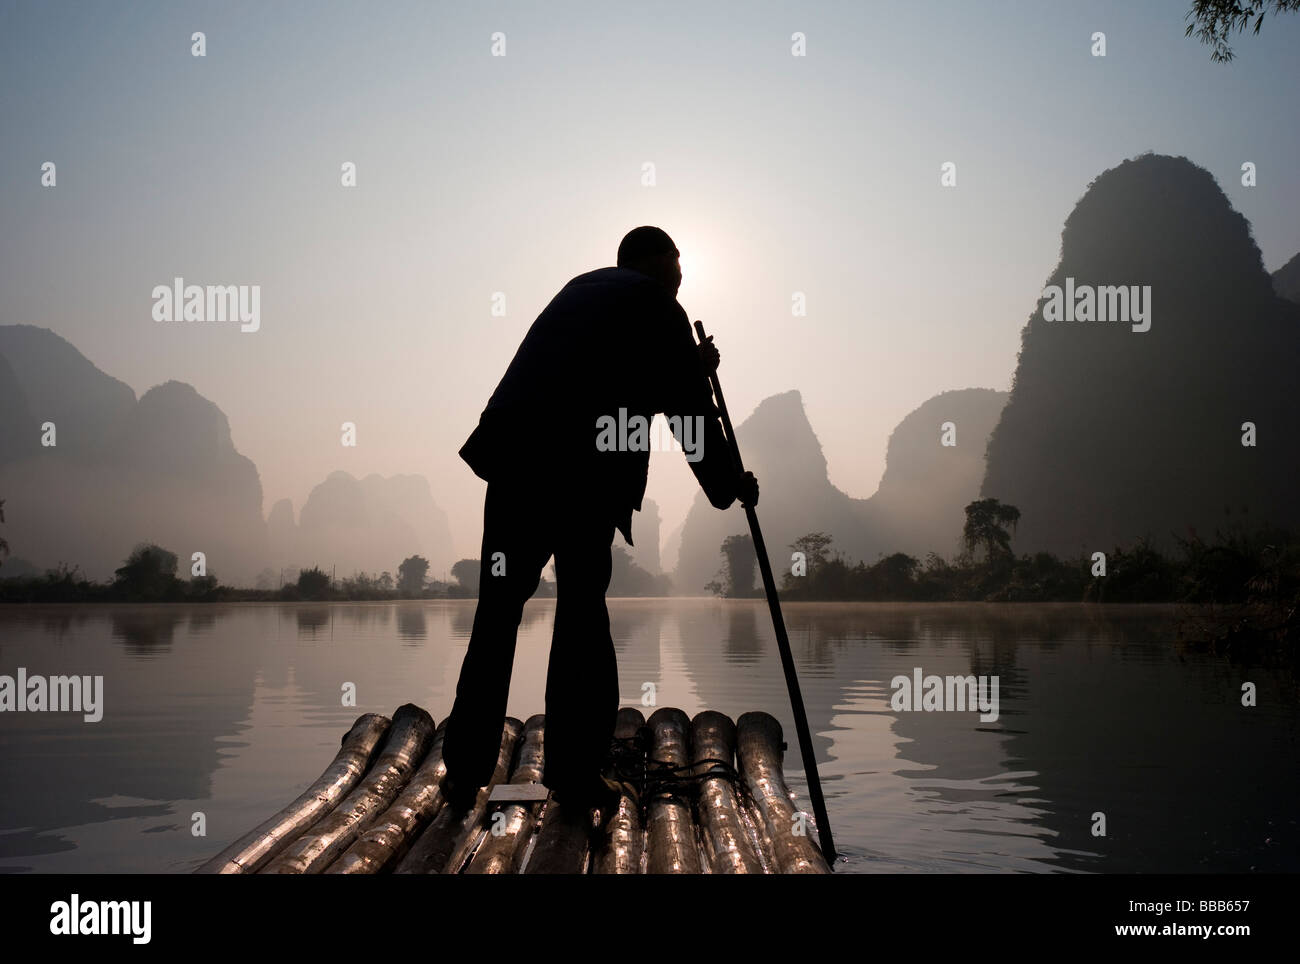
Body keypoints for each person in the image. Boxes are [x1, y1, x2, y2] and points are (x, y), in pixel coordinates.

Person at [440, 226, 758, 816]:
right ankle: (575, 775)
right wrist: (728, 486)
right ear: (659, 262)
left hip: (514, 458)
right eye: (678, 260)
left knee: (497, 612)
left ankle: (463, 772)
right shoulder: (659, 305)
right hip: (581, 469)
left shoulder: (581, 289)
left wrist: (685, 363)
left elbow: (621, 366)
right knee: (582, 613)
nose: (682, 272)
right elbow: (687, 412)